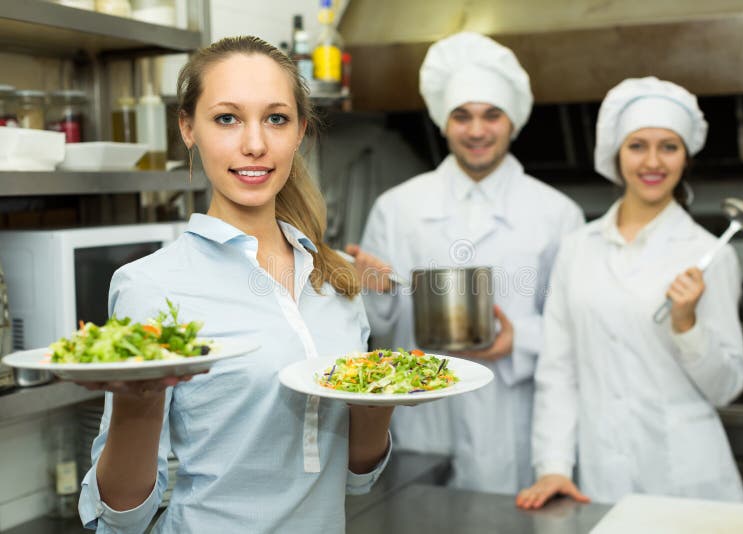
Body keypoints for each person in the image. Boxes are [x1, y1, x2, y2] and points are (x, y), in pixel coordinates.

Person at [77, 36, 393, 533]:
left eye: (276, 118)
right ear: (188, 128)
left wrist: (380, 402)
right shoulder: (151, 286)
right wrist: (140, 403)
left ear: (300, 131)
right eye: (227, 118)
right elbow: (120, 517)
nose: (255, 144)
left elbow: (355, 478)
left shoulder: (335, 284)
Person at [346, 32, 584, 494]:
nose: (477, 130)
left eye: (491, 115)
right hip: (423, 416)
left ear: (512, 121)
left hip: (513, 415)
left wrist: (520, 338)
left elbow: (571, 323)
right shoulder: (397, 208)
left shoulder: (557, 213)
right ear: (443, 122)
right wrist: (373, 291)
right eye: (463, 116)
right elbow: (374, 329)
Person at [516, 76, 743, 509]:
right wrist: (553, 466)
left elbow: (727, 386)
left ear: (686, 156)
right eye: (638, 145)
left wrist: (687, 324)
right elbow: (558, 371)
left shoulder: (709, 254)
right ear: (616, 154)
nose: (653, 162)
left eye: (669, 146)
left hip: (687, 477)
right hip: (602, 473)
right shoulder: (577, 249)